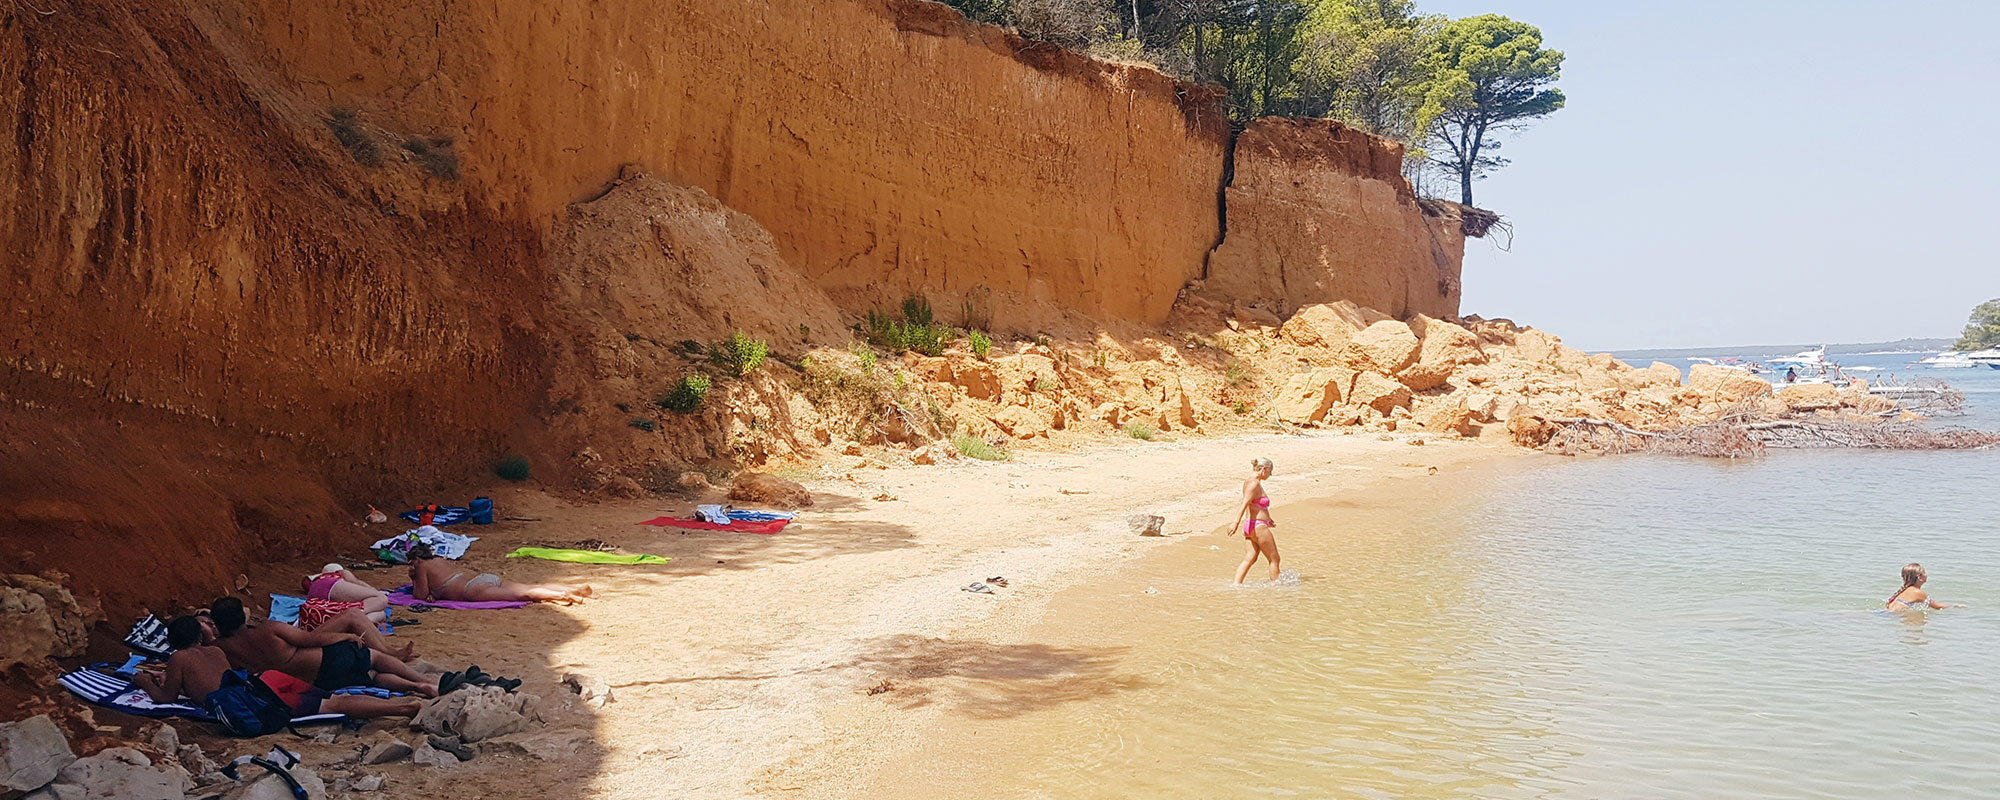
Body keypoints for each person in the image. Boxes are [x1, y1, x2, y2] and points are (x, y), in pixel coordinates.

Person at [137, 615, 425, 720]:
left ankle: (401, 709)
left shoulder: (181, 659)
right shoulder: (213, 650)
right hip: (266, 681)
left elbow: (166, 698)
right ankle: (413, 695)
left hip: (253, 700)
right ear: (201, 636)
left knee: (334, 705)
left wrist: (144, 682)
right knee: (333, 699)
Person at [207, 597, 446, 697]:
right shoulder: (268, 630)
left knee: (371, 677)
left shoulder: (221, 649)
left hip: (312, 683)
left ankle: (415, 686)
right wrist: (344, 638)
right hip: (320, 662)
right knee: (373, 659)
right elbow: (310, 641)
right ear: (242, 617)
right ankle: (422, 681)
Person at [409, 544, 593, 604]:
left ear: (416, 559)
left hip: (473, 590)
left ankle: (563, 595)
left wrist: (414, 577)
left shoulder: (421, 567)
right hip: (482, 578)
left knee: (525, 594)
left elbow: (420, 595)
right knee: (528, 587)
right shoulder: (440, 560)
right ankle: (572, 588)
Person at [1230, 457, 1282, 585]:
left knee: (1250, 558)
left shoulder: (1251, 482)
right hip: (1257, 526)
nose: (1271, 474)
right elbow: (1244, 504)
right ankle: (1278, 589)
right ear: (1264, 469)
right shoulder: (1254, 484)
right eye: (1270, 471)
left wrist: (1268, 519)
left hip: (1251, 525)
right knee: (1274, 559)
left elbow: (1255, 505)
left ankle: (1236, 585)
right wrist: (1235, 523)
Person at [302, 564, 390, 624]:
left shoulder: (317, 579)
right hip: (329, 586)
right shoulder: (341, 573)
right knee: (381, 599)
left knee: (380, 613)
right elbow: (355, 582)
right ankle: (354, 619)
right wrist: (374, 591)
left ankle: (360, 623)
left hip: (315, 597)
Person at [1886, 563, 1961, 610]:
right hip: (1891, 616)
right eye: (1924, 573)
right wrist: (1954, 607)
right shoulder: (1917, 592)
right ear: (1920, 577)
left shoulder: (1906, 590)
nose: (1926, 575)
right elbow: (1937, 606)